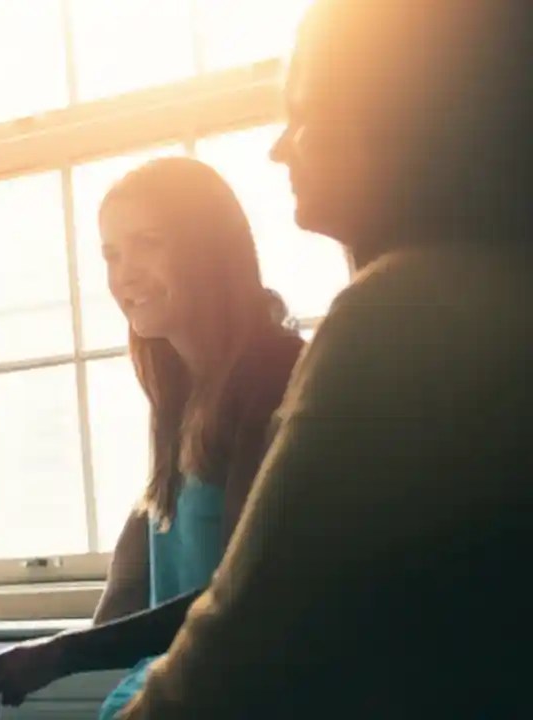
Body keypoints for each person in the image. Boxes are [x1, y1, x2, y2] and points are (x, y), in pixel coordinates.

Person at [111, 1, 533, 717]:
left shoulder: (396, 318)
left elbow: (238, 647)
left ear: (406, 123)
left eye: (304, 113)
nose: (280, 148)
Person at [0, 157, 303, 716]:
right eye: (111, 254)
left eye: (148, 242)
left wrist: (61, 654)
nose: (124, 274)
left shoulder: (275, 378)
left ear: (210, 247)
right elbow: (126, 601)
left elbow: (243, 595)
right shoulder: (178, 399)